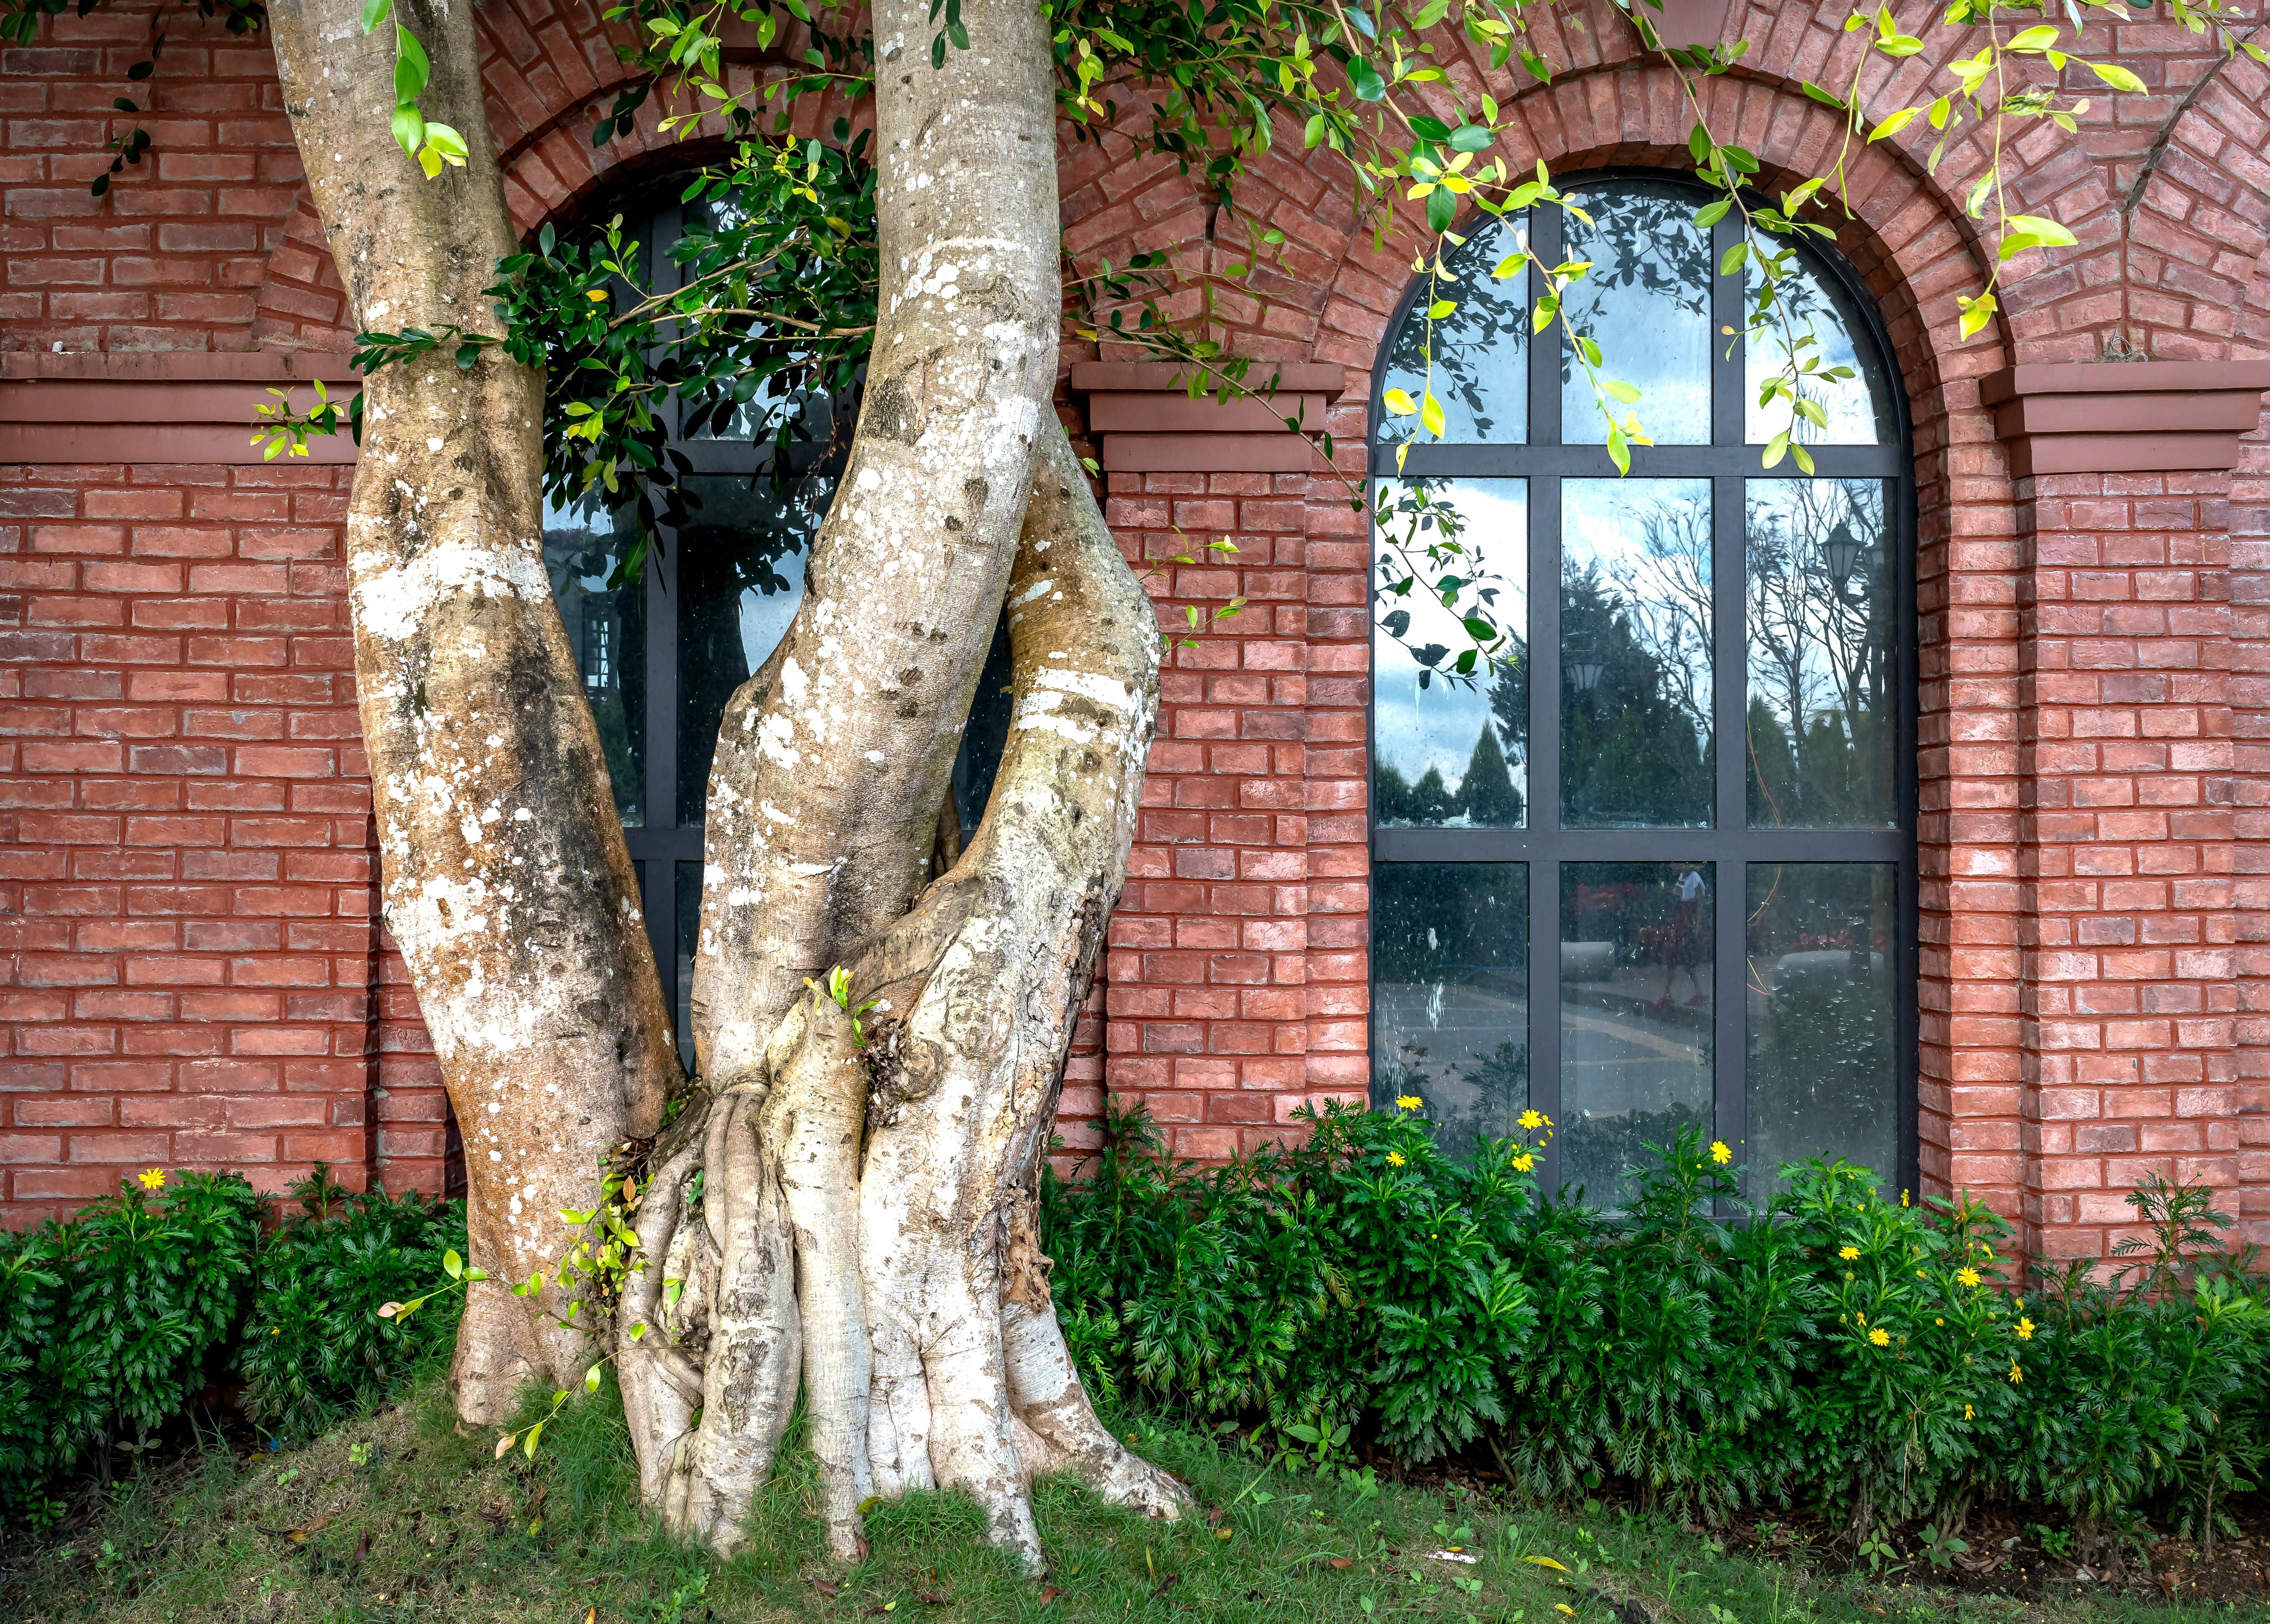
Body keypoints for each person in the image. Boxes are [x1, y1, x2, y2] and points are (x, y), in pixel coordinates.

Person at [1655, 864, 1707, 1008]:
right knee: (1677, 960)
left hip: (1688, 919)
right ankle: (1669, 995)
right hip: (1682, 917)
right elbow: (1680, 892)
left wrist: (1698, 924)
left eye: (1675, 864)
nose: (1673, 866)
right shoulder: (1683, 876)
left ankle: (1670, 995)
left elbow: (1700, 902)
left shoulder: (1694, 876)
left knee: (1683, 961)